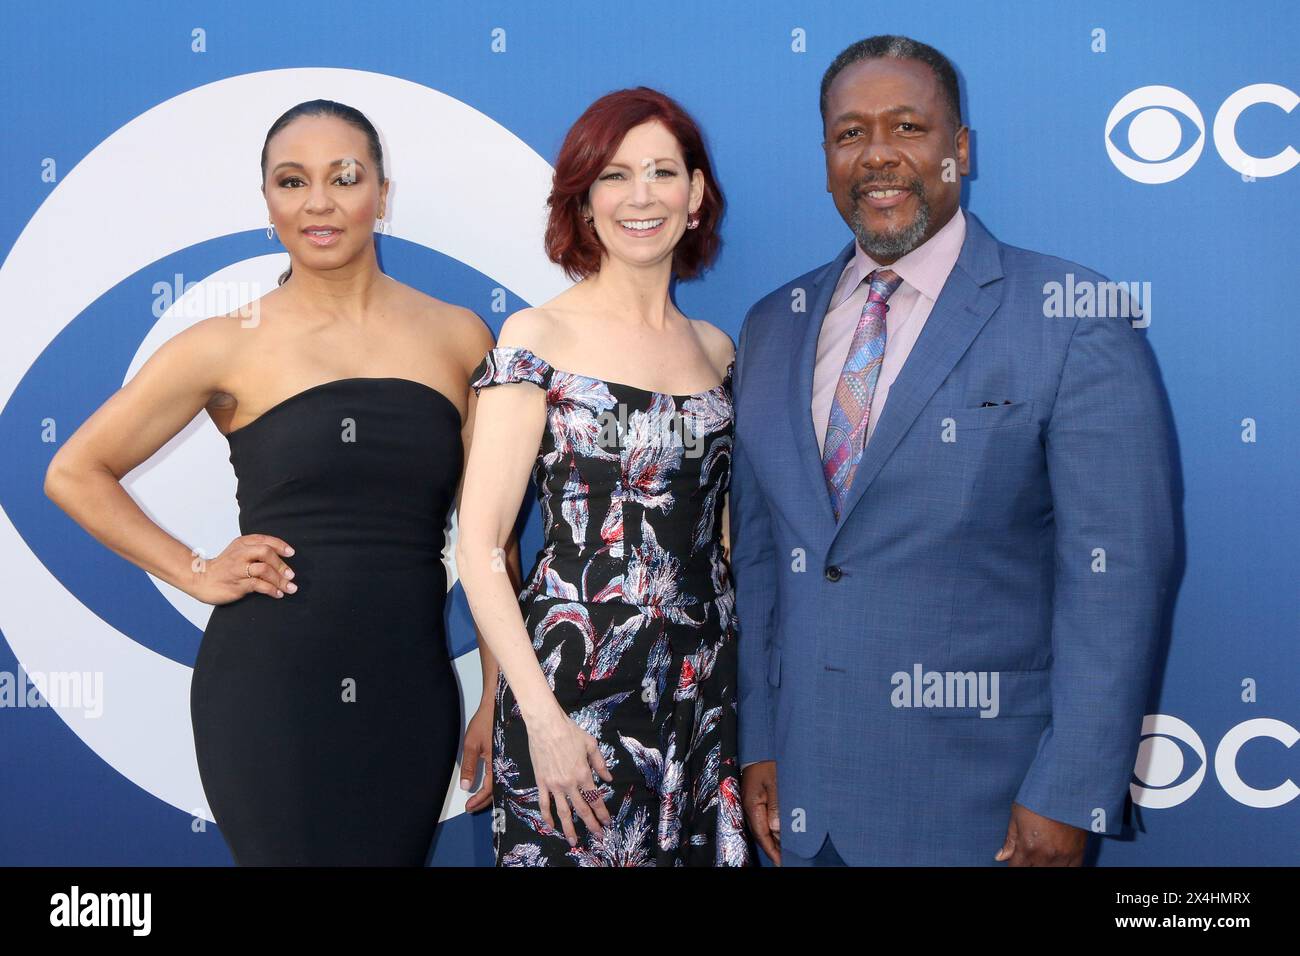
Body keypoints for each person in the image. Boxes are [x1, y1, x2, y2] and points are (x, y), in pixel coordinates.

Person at [731, 36, 1177, 866]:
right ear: (826, 157)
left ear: (959, 150)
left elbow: (1117, 578)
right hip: (806, 804)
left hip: (986, 811)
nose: (879, 156)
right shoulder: (771, 325)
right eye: (850, 133)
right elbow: (761, 565)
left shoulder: (1071, 318)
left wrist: (1071, 788)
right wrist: (761, 738)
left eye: (908, 125)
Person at [43, 99, 505, 865]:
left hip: (407, 686)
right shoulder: (226, 342)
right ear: (268, 201)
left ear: (382, 193)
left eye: (344, 177)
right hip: (270, 688)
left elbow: (488, 540)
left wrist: (495, 690)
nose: (318, 203)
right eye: (292, 182)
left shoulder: (459, 336)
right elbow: (73, 471)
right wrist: (194, 569)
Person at [456, 87, 752, 866]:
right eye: (615, 176)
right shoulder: (537, 336)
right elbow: (481, 547)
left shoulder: (719, 353)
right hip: (573, 691)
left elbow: (725, 535)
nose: (640, 195)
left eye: (662, 171)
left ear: (696, 195)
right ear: (585, 202)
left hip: (701, 694)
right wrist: (542, 719)